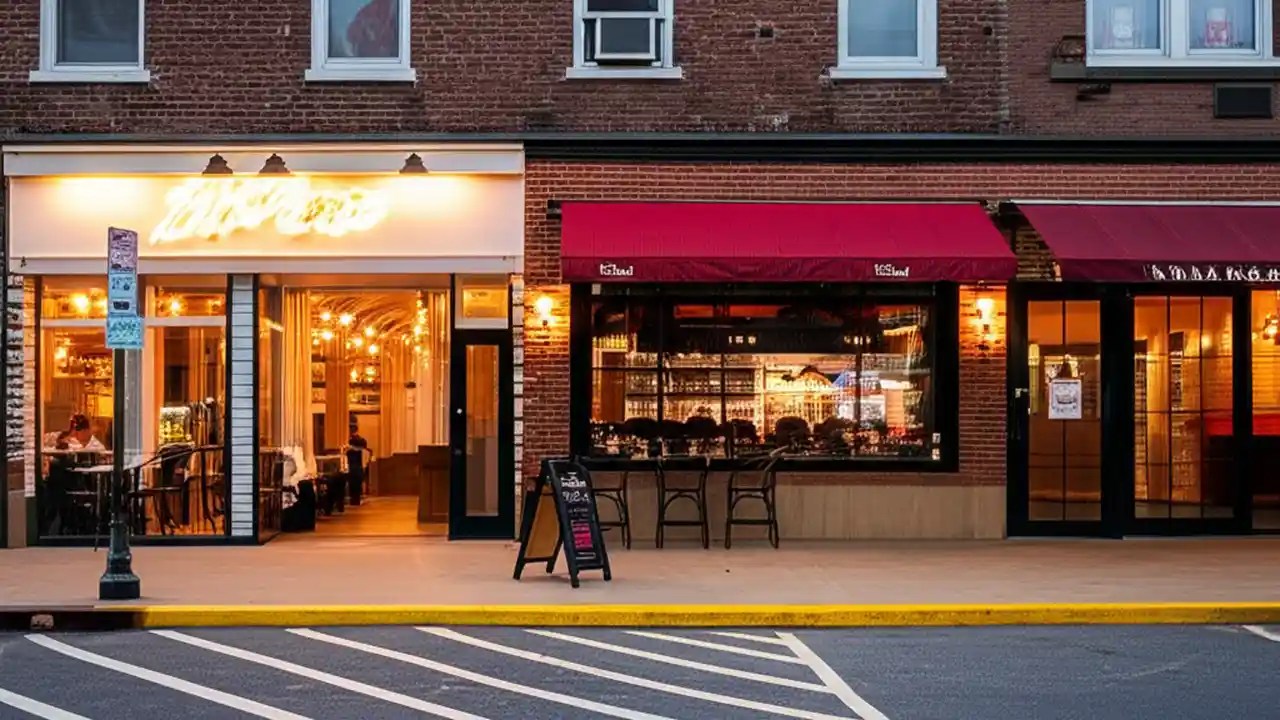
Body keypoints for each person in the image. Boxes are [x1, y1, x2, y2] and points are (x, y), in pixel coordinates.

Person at [345, 423, 370, 506]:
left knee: (354, 484)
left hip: (353, 466)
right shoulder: (362, 441)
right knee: (357, 484)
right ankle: (356, 500)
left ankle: (354, 501)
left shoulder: (352, 442)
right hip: (359, 466)